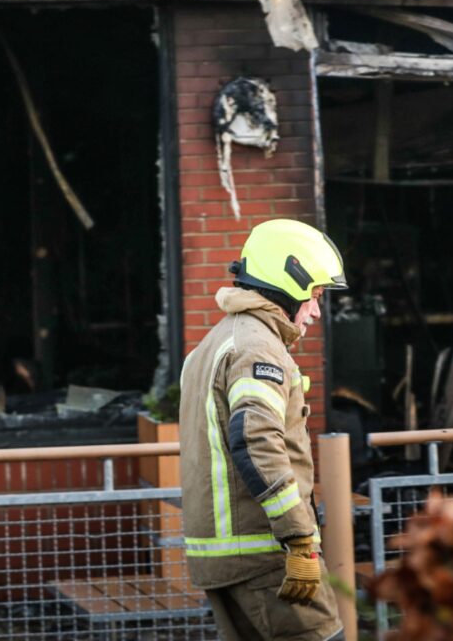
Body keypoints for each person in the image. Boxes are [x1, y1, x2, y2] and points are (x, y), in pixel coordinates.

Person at [179, 218, 347, 641]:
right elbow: (256, 441)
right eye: (315, 295)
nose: (316, 311)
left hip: (229, 556)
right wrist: (299, 538)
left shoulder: (213, 344)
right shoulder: (257, 348)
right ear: (289, 282)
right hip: (266, 556)